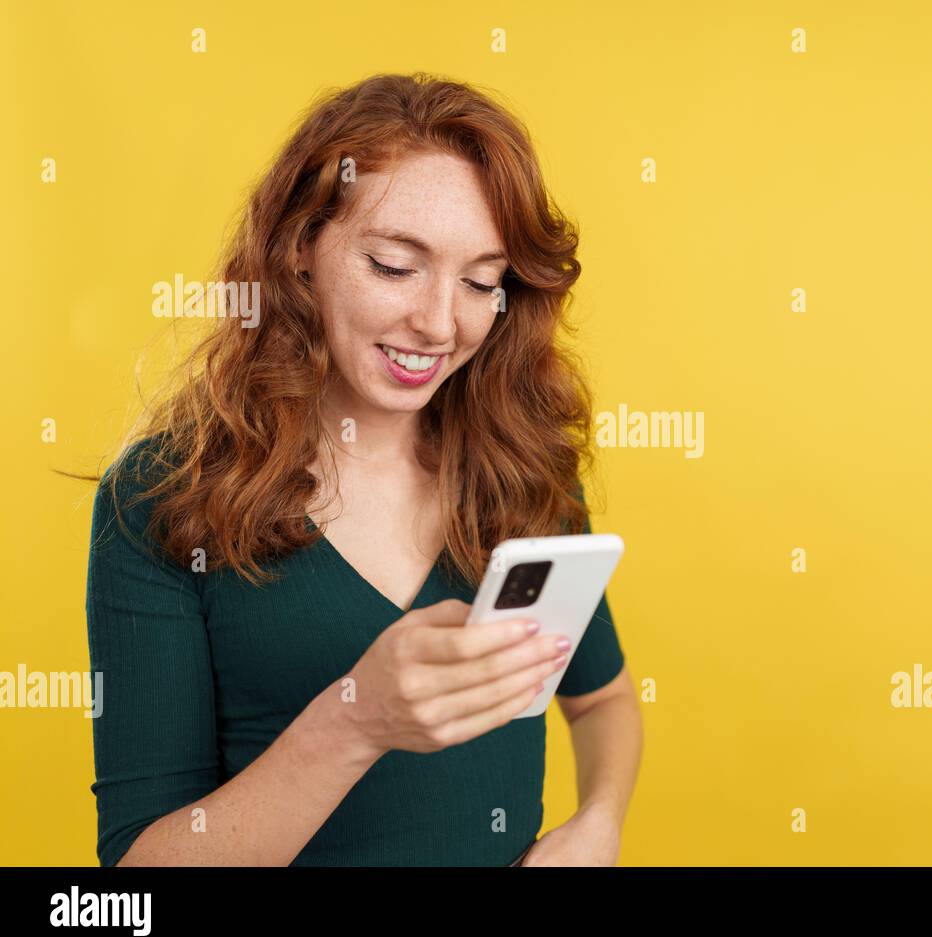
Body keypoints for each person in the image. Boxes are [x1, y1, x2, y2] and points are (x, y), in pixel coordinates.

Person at [80, 72, 643, 866]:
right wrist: (356, 719)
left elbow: (604, 699)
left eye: (482, 282)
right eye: (392, 265)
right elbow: (137, 878)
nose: (441, 323)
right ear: (300, 251)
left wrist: (599, 823)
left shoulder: (521, 470)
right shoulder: (160, 499)